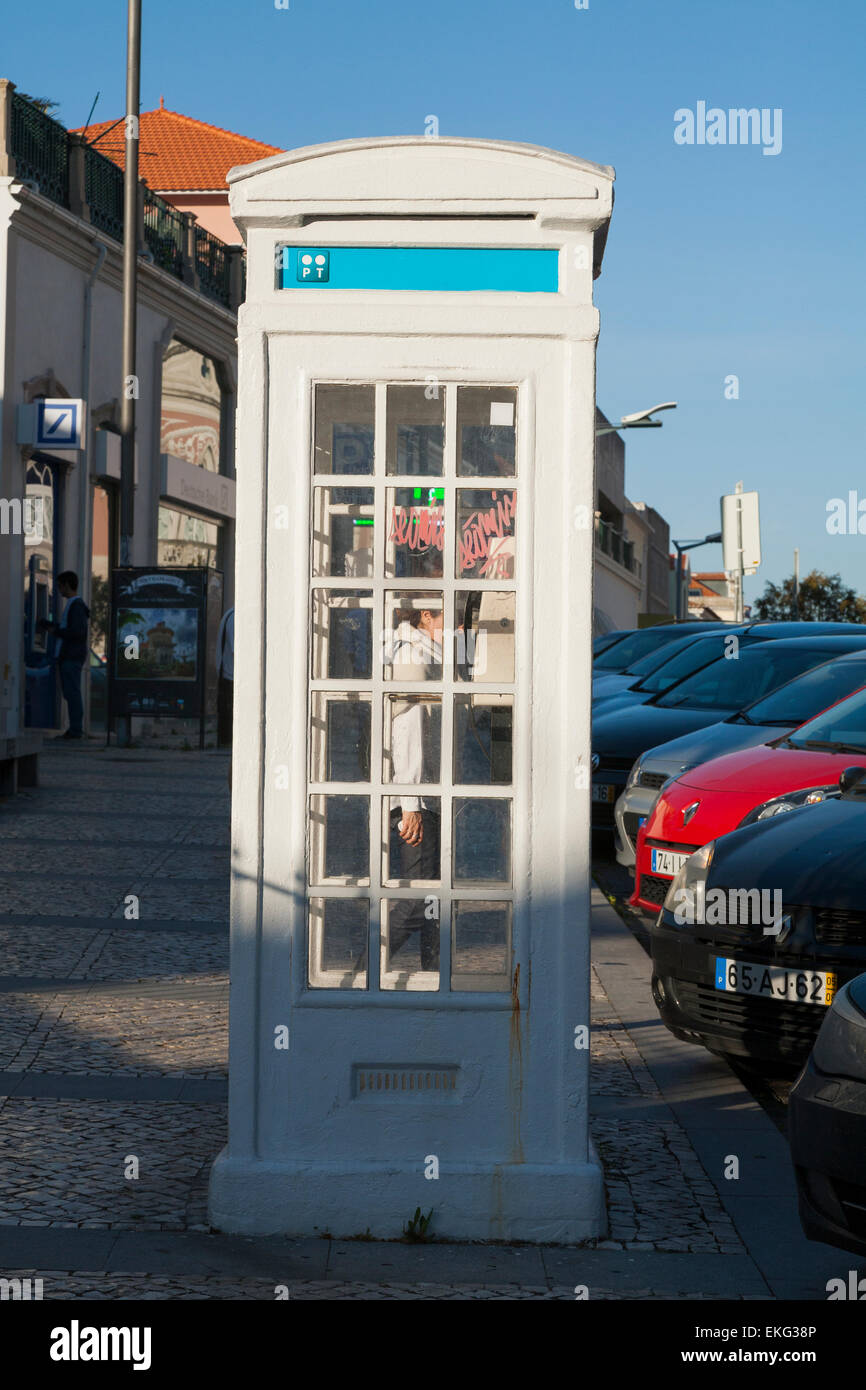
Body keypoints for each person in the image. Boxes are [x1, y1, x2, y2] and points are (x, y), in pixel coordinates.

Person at [387, 601, 443, 972]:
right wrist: (411, 804)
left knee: (437, 898)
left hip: (431, 795)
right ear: (425, 615)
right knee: (418, 896)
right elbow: (406, 733)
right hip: (416, 800)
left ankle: (435, 978)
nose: (457, 624)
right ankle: (363, 969)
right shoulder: (411, 653)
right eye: (447, 616)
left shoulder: (427, 651)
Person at [38, 571, 90, 740]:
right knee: (70, 693)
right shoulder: (74, 605)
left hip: (71, 656)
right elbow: (70, 628)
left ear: (68, 584)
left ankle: (75, 730)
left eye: (60, 585)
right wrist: (50, 625)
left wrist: (57, 631)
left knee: (72, 693)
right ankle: (75, 729)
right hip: (69, 656)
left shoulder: (76, 606)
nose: (59, 589)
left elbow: (77, 632)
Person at [216, 606, 234, 748]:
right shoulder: (235, 617)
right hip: (232, 676)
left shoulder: (230, 614)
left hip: (229, 674)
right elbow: (238, 649)